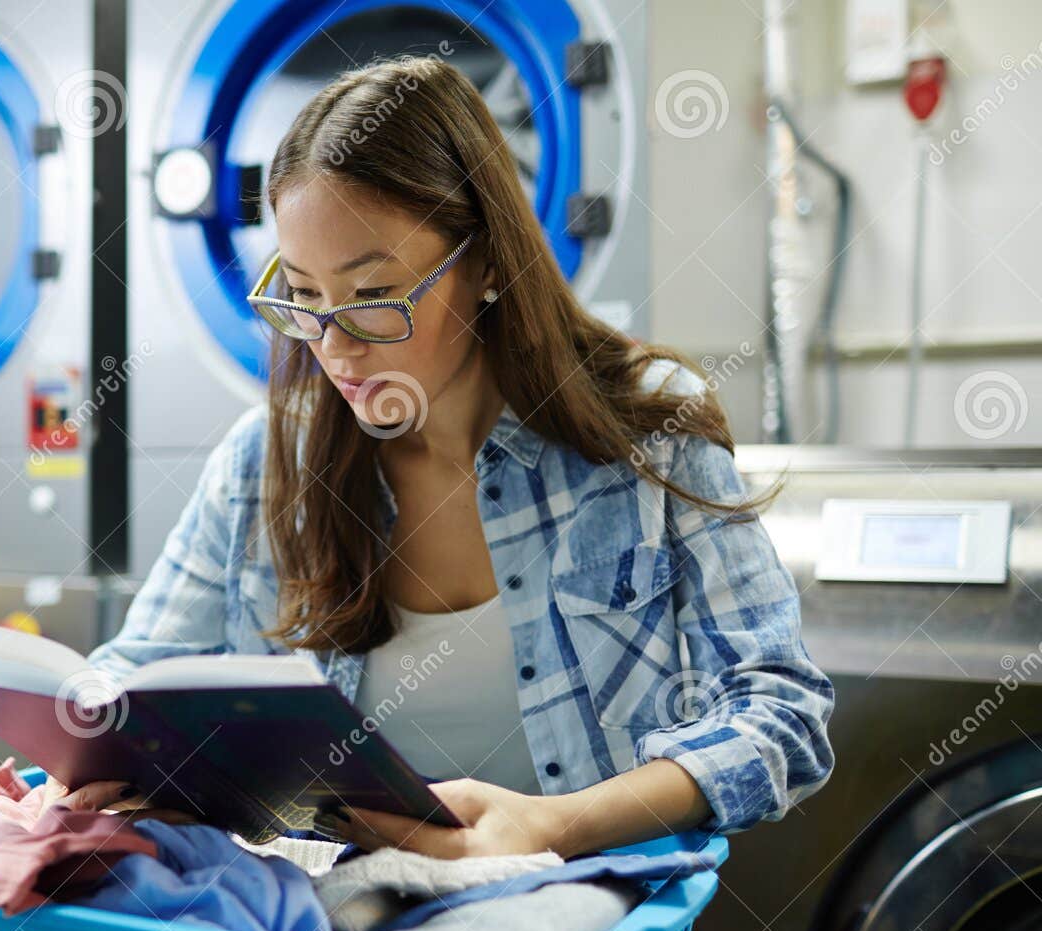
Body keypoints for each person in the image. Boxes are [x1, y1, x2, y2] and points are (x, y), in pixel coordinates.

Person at [60, 54, 834, 865]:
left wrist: (555, 825)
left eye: (371, 295)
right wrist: (102, 756)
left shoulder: (646, 429)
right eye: (304, 295)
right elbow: (133, 680)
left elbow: (780, 709)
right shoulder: (266, 463)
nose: (335, 346)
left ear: (488, 260)